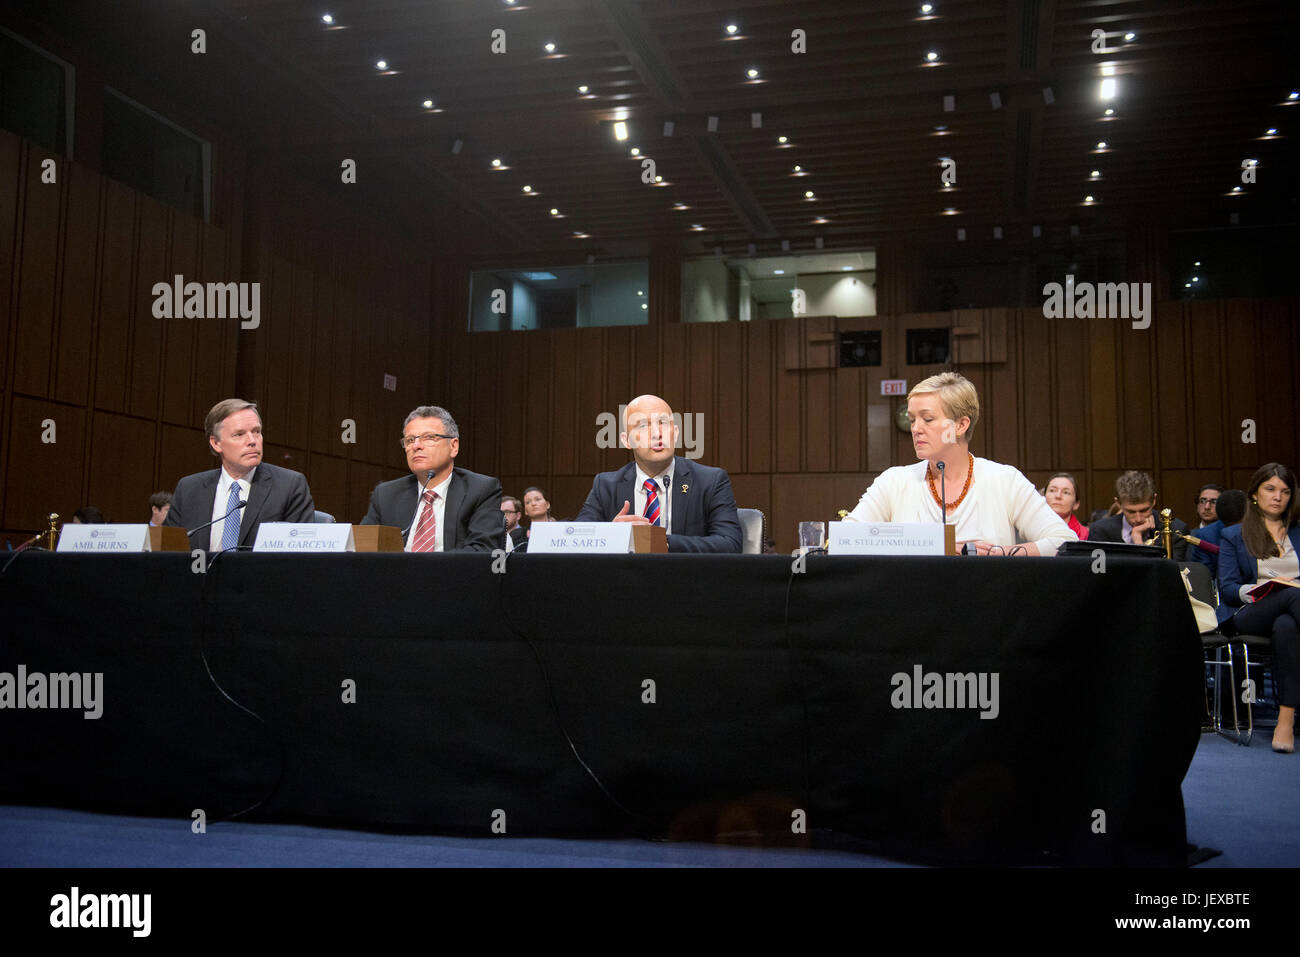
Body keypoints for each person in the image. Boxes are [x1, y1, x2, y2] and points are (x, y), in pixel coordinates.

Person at [845, 373, 1075, 555]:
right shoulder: (894, 481)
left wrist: (1003, 553)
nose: (915, 428)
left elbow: (1064, 541)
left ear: (961, 425)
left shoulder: (1004, 480)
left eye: (927, 419)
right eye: (913, 419)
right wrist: (934, 545)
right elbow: (846, 538)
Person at [575, 394, 742, 553]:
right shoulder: (606, 486)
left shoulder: (710, 481)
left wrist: (662, 542)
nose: (656, 433)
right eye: (642, 426)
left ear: (675, 433)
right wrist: (613, 535)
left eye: (663, 423)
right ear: (627, 441)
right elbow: (575, 541)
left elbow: (730, 543)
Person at [1217, 464, 1300, 753]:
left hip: (1290, 616)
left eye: (1285, 491)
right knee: (1290, 593)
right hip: (1252, 612)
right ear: (1254, 494)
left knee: (1287, 627)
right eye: (1270, 489)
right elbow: (1227, 589)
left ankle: (1285, 720)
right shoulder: (1234, 535)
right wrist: (1266, 587)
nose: (1278, 497)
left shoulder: (1298, 534)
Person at [164, 399, 314, 551]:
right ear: (216, 443)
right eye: (239, 434)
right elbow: (168, 553)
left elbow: (299, 559)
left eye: (256, 432)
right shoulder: (188, 489)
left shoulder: (289, 486)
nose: (252, 441)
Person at [361, 405, 503, 552]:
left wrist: (427, 568)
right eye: (410, 440)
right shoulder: (386, 494)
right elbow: (363, 548)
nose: (416, 446)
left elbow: (482, 550)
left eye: (429, 437)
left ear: (454, 446)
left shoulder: (481, 490)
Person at [1087, 470, 1189, 560]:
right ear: (1118, 503)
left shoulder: (1176, 530)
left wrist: (1138, 541)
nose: (1138, 518)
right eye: (1131, 512)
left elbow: (1171, 575)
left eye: (1144, 510)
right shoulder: (1100, 531)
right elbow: (1099, 575)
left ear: (1154, 500)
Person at [1187, 489, 1246, 577]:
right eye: (1202, 501)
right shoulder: (1205, 536)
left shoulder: (1260, 530)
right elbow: (1203, 577)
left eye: (1214, 501)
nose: (1207, 507)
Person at [1044, 472, 1088, 541]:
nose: (1058, 496)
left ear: (1076, 504)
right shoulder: (1029, 530)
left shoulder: (1086, 535)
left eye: (1066, 492)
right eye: (1052, 490)